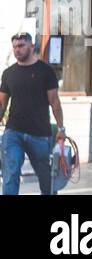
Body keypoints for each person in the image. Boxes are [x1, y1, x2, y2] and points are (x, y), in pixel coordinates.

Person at [0, 32, 65, 196]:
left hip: (39, 134)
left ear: (31, 46)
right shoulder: (8, 74)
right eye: (15, 47)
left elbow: (54, 102)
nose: (17, 50)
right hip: (13, 132)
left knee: (45, 178)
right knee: (11, 170)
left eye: (21, 46)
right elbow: (2, 104)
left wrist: (61, 129)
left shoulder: (46, 71)